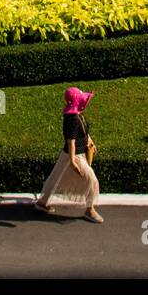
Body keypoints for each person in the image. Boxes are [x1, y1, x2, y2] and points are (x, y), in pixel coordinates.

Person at [34, 86, 103, 224]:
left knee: (55, 178)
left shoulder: (78, 116)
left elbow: (84, 132)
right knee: (91, 180)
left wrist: (90, 142)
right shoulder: (71, 120)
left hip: (77, 154)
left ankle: (42, 202)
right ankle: (90, 209)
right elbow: (71, 142)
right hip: (74, 155)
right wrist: (73, 161)